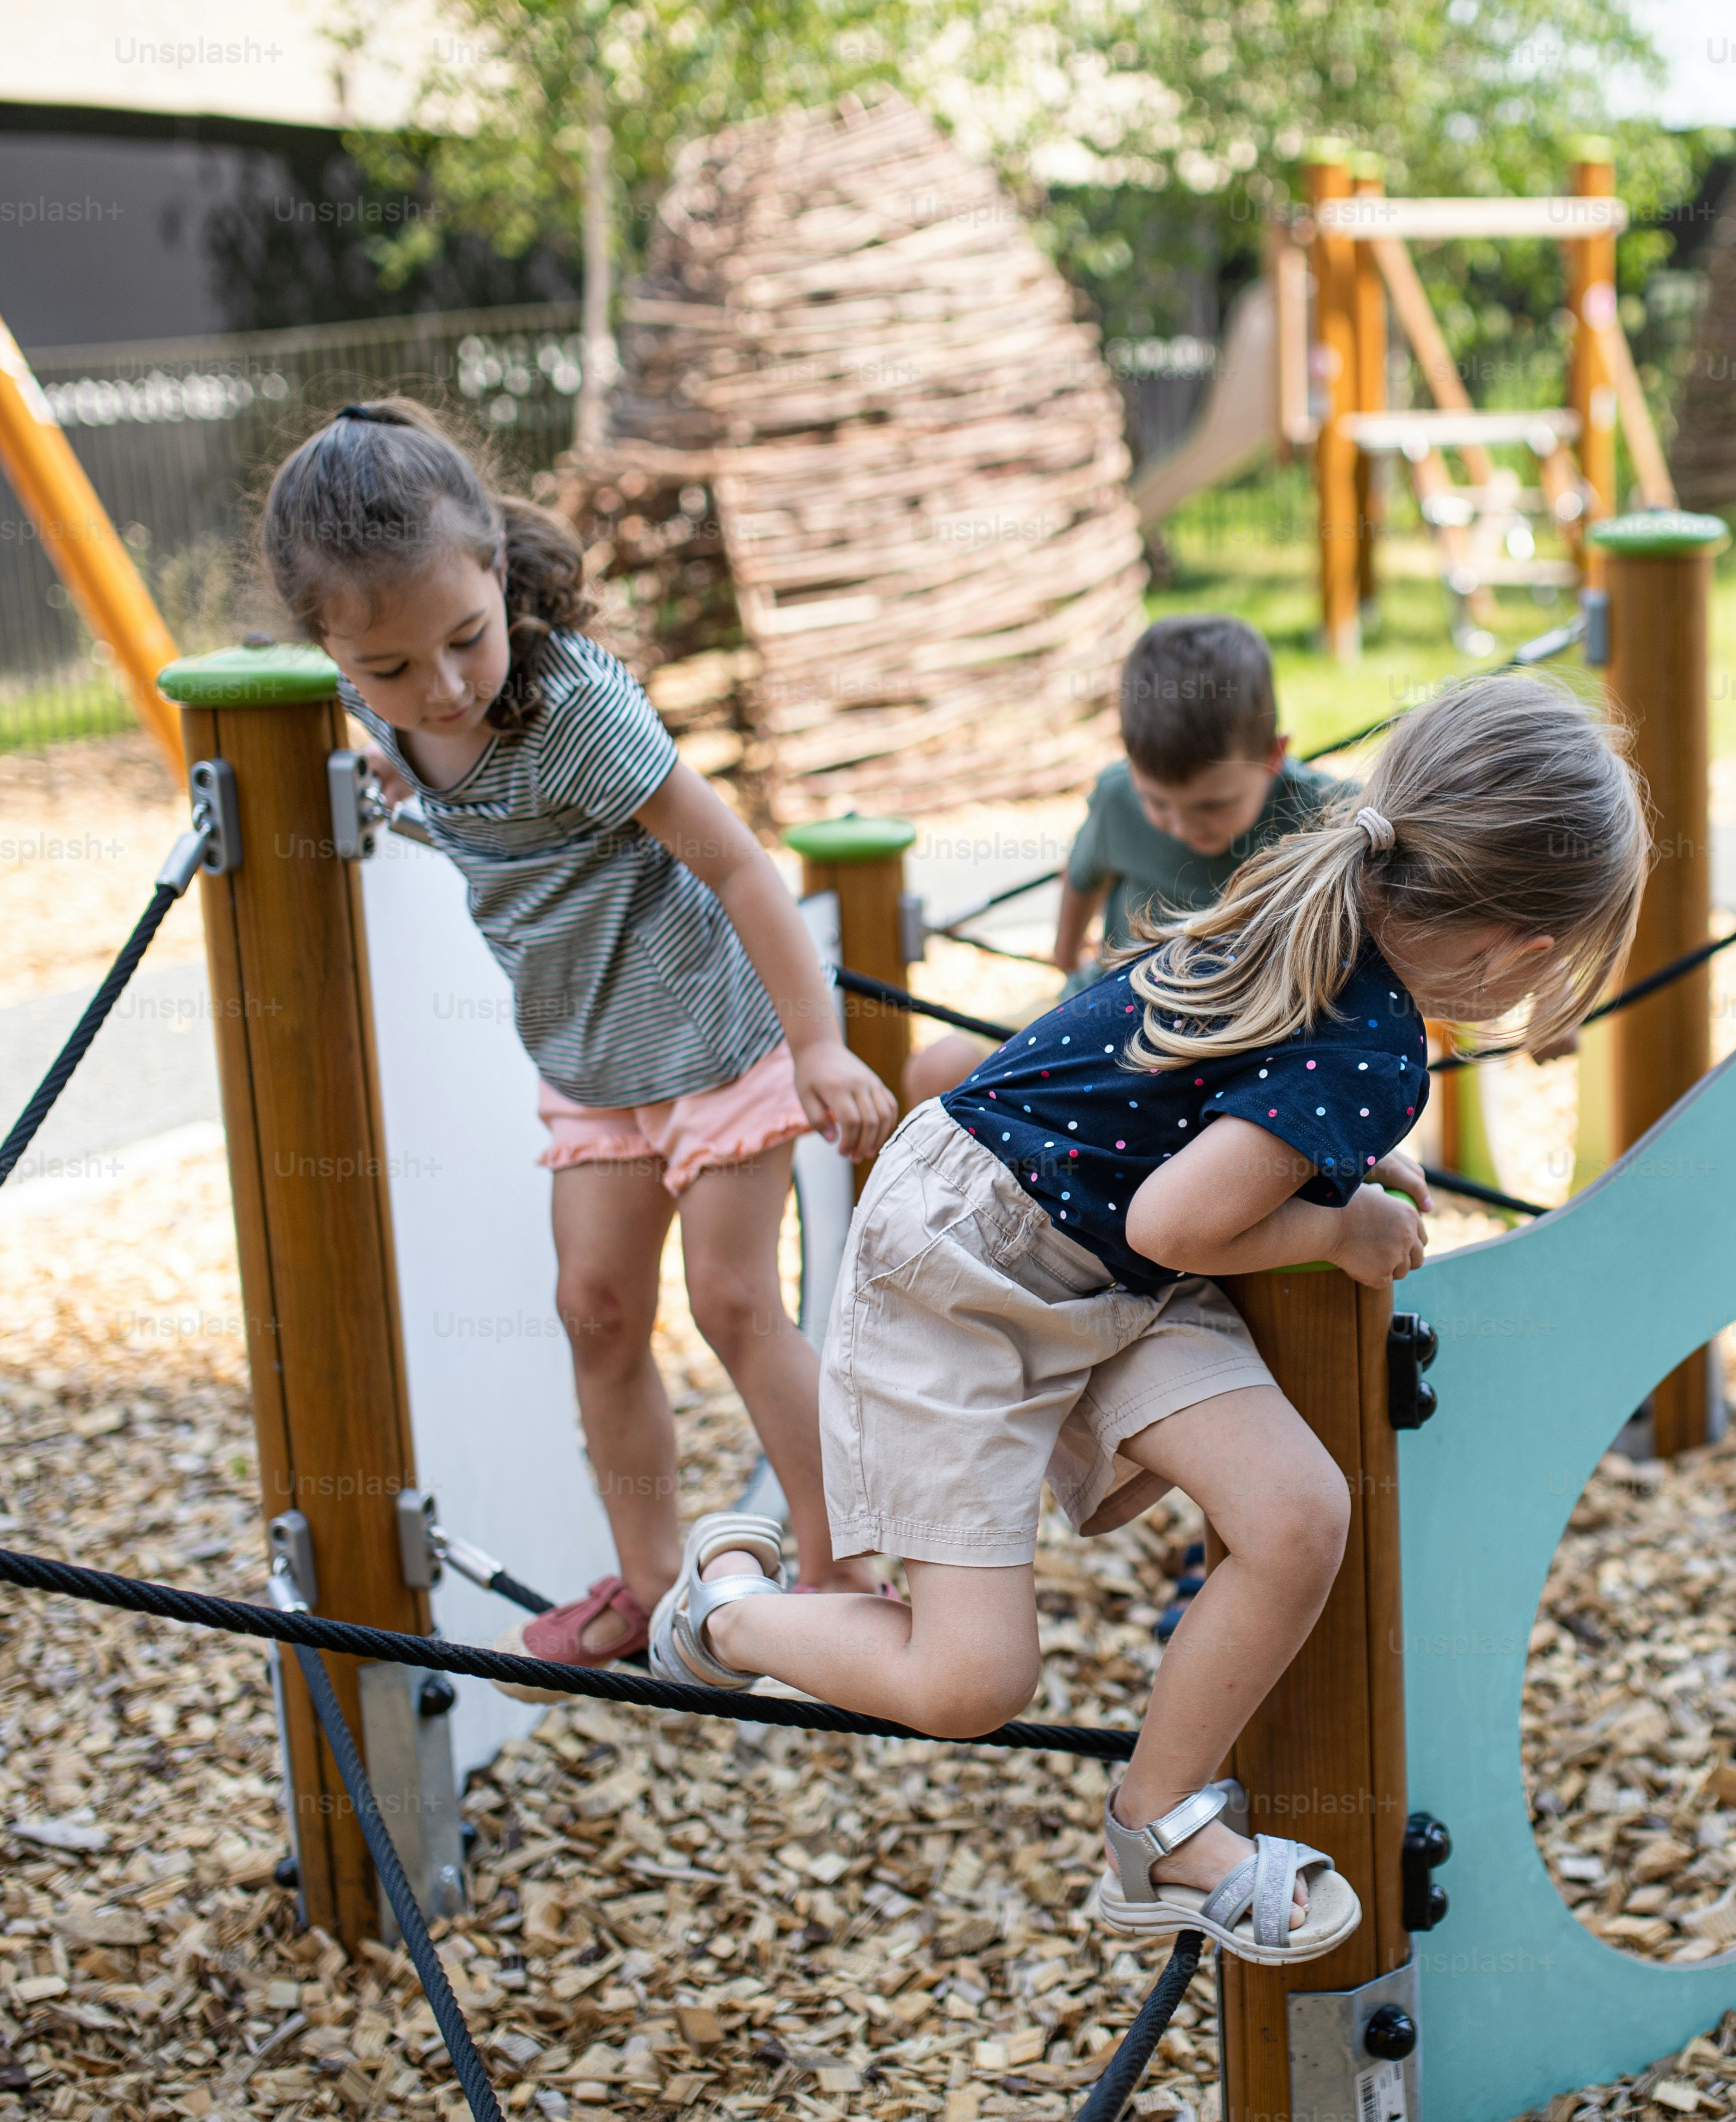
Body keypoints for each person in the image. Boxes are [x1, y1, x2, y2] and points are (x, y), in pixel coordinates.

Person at [641, 674, 1646, 1964]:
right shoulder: (1377, 1041)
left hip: (1099, 1260)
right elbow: (1183, 1218)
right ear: (1523, 950)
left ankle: (1156, 1824)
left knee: (1293, 1513)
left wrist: (1319, 1170)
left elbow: (1225, 1121)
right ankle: (724, 1607)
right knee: (969, 1683)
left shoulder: (1314, 882)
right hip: (970, 1264)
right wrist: (1337, 1229)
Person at [260, 399, 900, 1690]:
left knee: (732, 1301)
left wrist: (817, 1043)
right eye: (388, 669)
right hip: (591, 1067)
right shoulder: (381, 710)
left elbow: (737, 866)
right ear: (330, 648)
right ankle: (654, 1586)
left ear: (496, 570)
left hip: (717, 1044)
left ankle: (844, 1571)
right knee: (594, 1311)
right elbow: (499, 834)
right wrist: (401, 786)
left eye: (464, 640)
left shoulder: (571, 711)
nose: (440, 687)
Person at [900, 614, 1350, 1105]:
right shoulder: (1118, 797)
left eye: (1212, 806)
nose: (1181, 828)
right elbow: (1081, 876)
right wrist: (1065, 954)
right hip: (1109, 1011)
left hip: (1246, 1039)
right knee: (937, 1069)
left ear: (1273, 757)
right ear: (1130, 763)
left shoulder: (1328, 816)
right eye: (1157, 803)